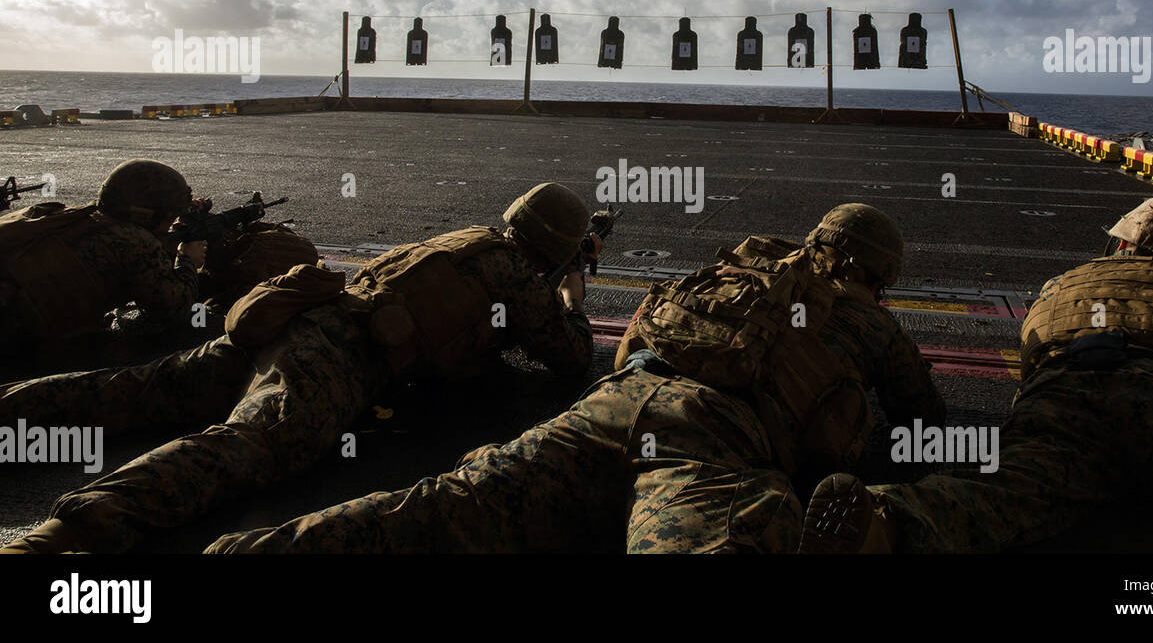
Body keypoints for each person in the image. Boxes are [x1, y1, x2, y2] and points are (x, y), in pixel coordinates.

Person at [203, 203, 946, 554]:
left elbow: (611, 349)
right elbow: (924, 423)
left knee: (442, 508)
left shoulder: (733, 269)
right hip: (715, 441)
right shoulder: (872, 321)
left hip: (616, 403)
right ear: (873, 271)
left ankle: (247, 551)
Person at [0, 182, 597, 553]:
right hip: (334, 359)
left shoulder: (468, 240)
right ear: (558, 247)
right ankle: (69, 533)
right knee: (248, 448)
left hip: (293, 321)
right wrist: (571, 290)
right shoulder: (515, 276)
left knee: (139, 389)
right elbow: (569, 357)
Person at [798, 194, 1153, 554]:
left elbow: (1032, 366)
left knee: (1001, 493)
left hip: (1060, 399)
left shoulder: (1060, 285)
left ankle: (884, 521)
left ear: (1119, 242)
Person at [0, 159, 206, 350]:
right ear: (146, 215)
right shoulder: (136, 242)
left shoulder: (86, 218)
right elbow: (171, 310)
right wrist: (188, 260)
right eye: (169, 217)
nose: (171, 222)